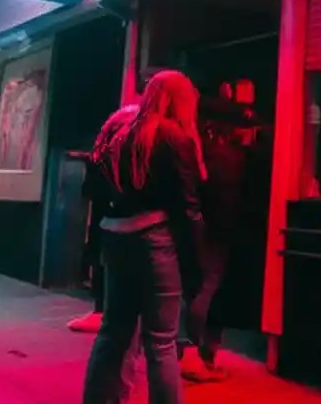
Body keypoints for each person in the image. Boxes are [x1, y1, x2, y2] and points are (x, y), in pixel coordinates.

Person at [82, 71, 206, 404]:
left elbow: (91, 188)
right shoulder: (173, 137)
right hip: (156, 239)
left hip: (116, 236)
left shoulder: (120, 132)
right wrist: (196, 269)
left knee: (114, 331)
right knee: (162, 342)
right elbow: (188, 208)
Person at [180, 93, 250, 383]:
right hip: (220, 230)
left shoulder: (197, 150)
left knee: (195, 288)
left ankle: (189, 351)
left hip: (196, 228)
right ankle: (197, 352)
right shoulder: (230, 157)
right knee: (208, 288)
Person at [68, 104, 139, 334]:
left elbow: (89, 190)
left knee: (101, 257)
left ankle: (101, 309)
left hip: (105, 215)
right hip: (126, 217)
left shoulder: (101, 151)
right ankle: (107, 311)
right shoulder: (131, 150)